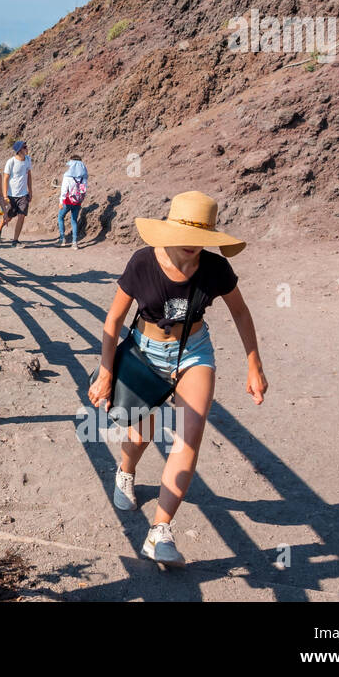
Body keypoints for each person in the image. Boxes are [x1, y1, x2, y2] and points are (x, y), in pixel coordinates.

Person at [87, 191, 267, 568]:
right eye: (185, 232)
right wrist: (105, 372)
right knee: (141, 435)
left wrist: (254, 365)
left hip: (194, 352)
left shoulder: (215, 270)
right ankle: (126, 471)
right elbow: (113, 321)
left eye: (199, 236)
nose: (190, 243)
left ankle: (160, 532)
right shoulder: (142, 263)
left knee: (190, 436)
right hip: (145, 354)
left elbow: (241, 313)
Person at [0, 140, 33, 246]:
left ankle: (15, 240)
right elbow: (5, 179)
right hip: (11, 195)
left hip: (23, 195)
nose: (27, 148)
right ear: (19, 150)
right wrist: (5, 195)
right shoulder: (11, 162)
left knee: (22, 216)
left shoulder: (28, 160)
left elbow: (29, 175)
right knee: (9, 217)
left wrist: (30, 191)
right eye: (25, 147)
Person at [58, 154, 89, 249]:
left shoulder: (68, 176)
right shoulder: (84, 177)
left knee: (60, 217)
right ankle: (74, 243)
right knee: (74, 220)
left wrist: (61, 201)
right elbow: (84, 190)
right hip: (78, 202)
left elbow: (64, 190)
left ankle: (62, 239)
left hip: (67, 201)